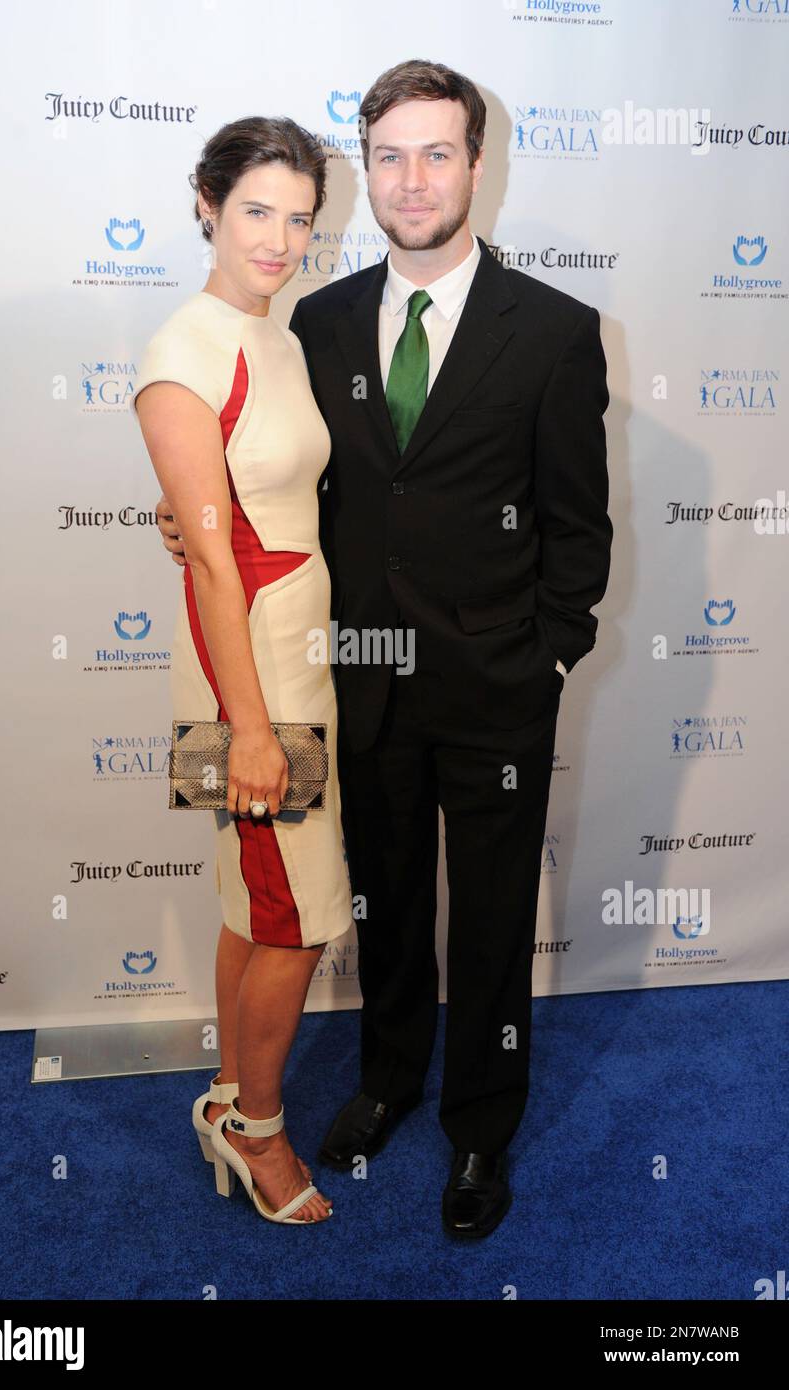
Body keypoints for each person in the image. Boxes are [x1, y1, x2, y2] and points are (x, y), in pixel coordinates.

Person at [156, 58, 612, 1239]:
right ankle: (389, 1077)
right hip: (352, 678)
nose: (413, 180)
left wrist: (548, 655)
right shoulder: (314, 322)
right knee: (386, 902)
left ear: (475, 165)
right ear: (366, 168)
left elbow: (578, 524)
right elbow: (272, 476)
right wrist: (185, 515)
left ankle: (481, 1127)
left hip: (497, 685)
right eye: (390, 156)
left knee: (494, 920)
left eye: (436, 153)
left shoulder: (554, 332)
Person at [132, 117, 355, 1226]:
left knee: (253, 897)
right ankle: (257, 1131)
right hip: (249, 676)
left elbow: (248, 501)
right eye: (256, 211)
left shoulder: (274, 332)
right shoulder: (184, 350)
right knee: (299, 917)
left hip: (293, 655)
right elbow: (215, 564)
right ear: (207, 206)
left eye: (299, 219)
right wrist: (252, 730)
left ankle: (230, 1095)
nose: (278, 239)